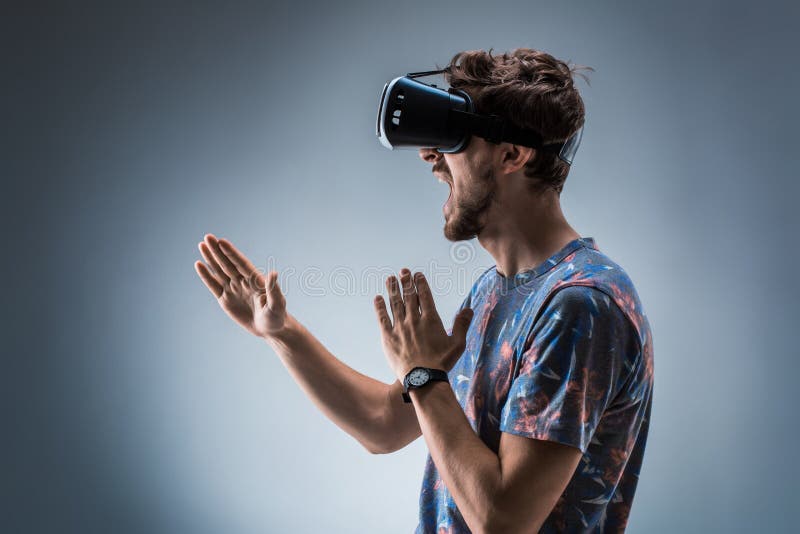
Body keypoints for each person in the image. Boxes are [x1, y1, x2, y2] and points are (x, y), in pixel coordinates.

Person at [194, 48, 654, 533]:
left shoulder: (581, 305)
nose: (430, 157)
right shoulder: (493, 292)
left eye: (451, 137)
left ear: (512, 155)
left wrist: (421, 373)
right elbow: (383, 424)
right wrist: (283, 333)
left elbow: (503, 520)